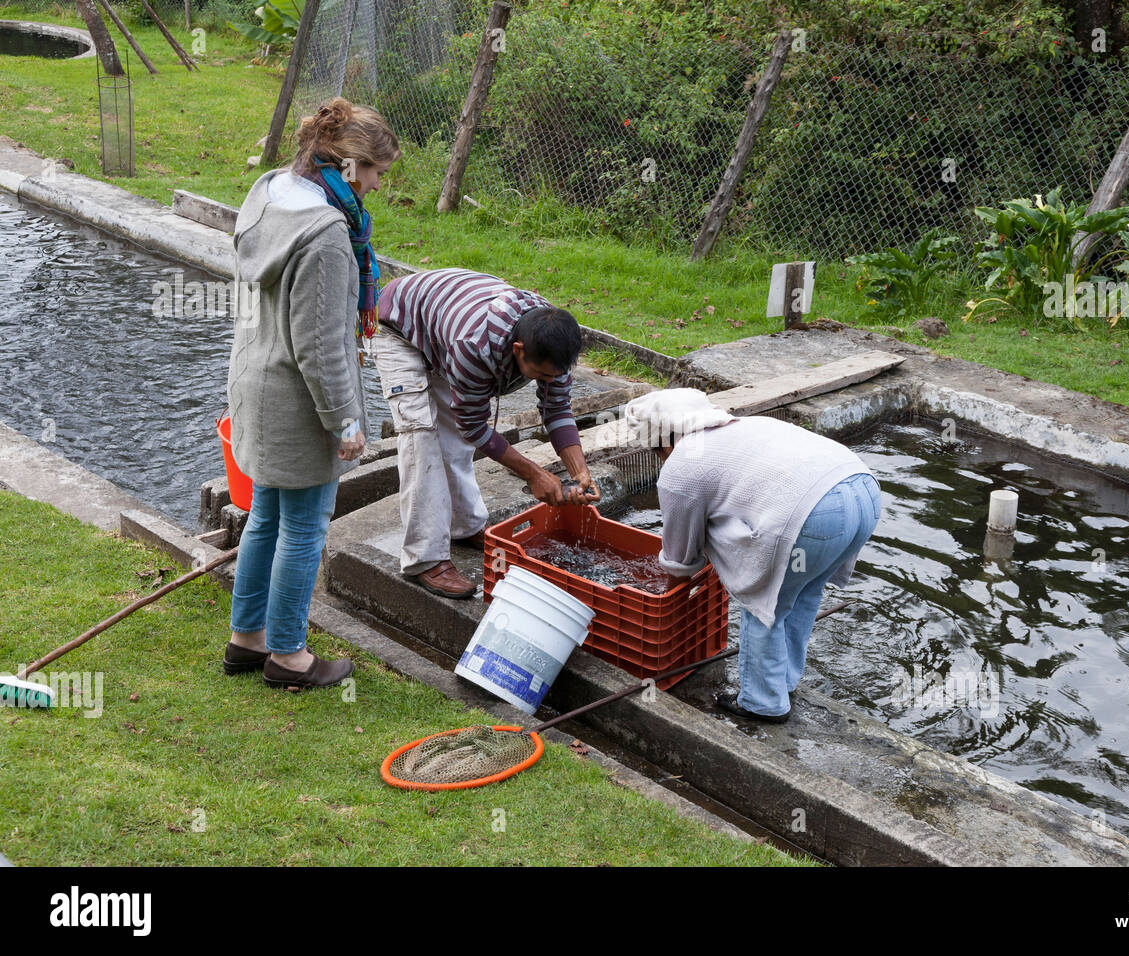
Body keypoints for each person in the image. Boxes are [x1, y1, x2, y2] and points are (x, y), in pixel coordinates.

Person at [222, 98, 399, 689]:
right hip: (297, 401)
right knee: (304, 526)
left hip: (254, 378)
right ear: (349, 165)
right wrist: (346, 421)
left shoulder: (271, 190)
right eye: (375, 172)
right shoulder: (326, 234)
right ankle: (289, 656)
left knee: (264, 515)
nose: (376, 186)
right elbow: (321, 348)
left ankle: (247, 640)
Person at [625, 389, 883, 722]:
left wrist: (669, 608)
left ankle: (763, 703)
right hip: (862, 491)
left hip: (818, 515)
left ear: (661, 440)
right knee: (801, 592)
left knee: (762, 603)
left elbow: (679, 559)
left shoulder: (681, 466)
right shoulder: (745, 427)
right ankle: (784, 681)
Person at [370, 268, 601, 598]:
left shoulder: (554, 346)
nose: (549, 381)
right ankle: (425, 558)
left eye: (555, 376)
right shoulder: (474, 347)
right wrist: (535, 474)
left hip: (443, 321)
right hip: (400, 326)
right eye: (541, 375)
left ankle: (464, 527)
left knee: (452, 437)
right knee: (421, 437)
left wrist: (580, 472)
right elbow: (474, 427)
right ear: (518, 350)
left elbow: (557, 410)